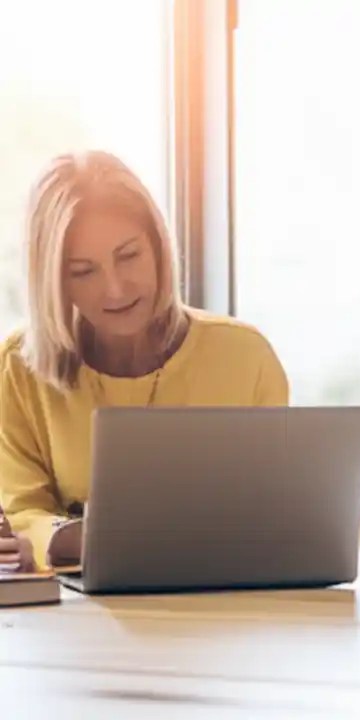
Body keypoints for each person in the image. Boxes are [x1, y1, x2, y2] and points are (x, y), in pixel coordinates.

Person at [0, 151, 289, 570]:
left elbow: (276, 511)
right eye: (83, 271)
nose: (115, 290)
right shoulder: (16, 369)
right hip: (76, 616)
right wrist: (70, 538)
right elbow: (20, 514)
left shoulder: (244, 358)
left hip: (225, 607)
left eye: (128, 255)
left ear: (157, 246)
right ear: (54, 282)